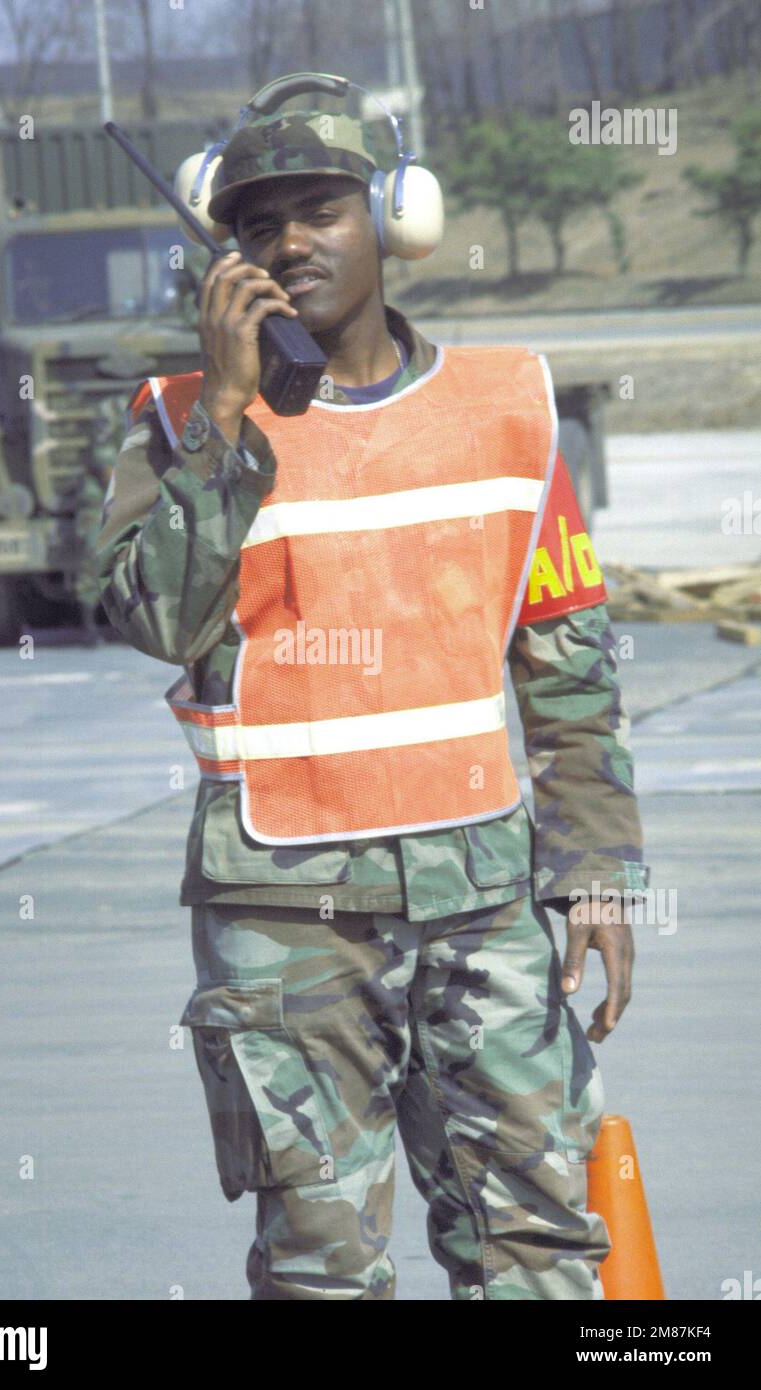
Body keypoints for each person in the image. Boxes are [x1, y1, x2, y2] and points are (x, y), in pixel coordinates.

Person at [94, 96, 650, 1301]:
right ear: (223, 252)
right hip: (284, 921)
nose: (291, 242)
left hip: (484, 908)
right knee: (321, 1272)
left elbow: (568, 671)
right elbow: (150, 620)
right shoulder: (175, 425)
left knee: (539, 1244)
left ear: (392, 221)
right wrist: (228, 419)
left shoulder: (504, 410)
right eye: (258, 222)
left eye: (320, 209)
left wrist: (595, 872)